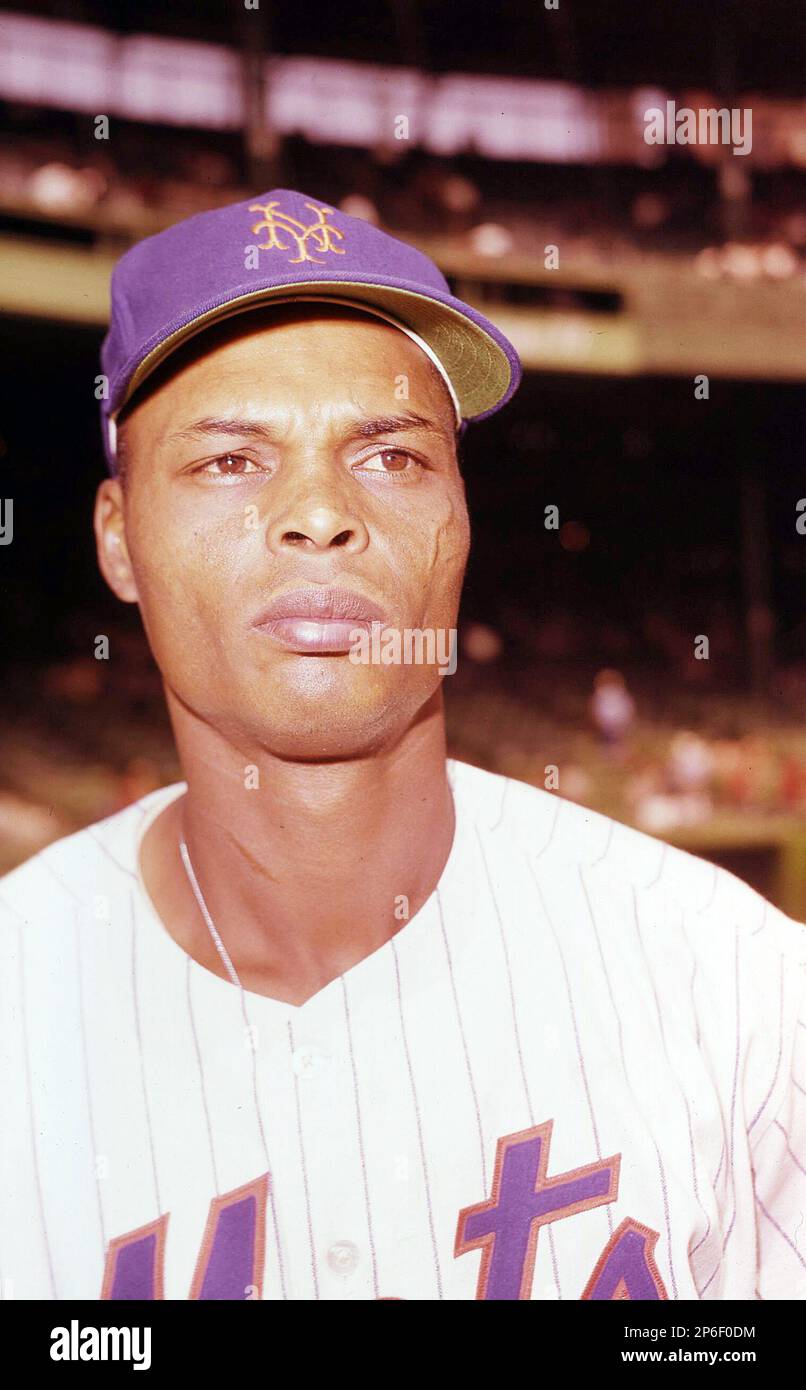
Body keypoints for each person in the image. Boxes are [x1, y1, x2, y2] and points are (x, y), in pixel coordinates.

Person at [1, 188, 804, 1302]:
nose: (319, 512)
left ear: (462, 520)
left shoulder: (733, 984)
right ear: (118, 540)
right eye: (230, 461)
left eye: (389, 456)